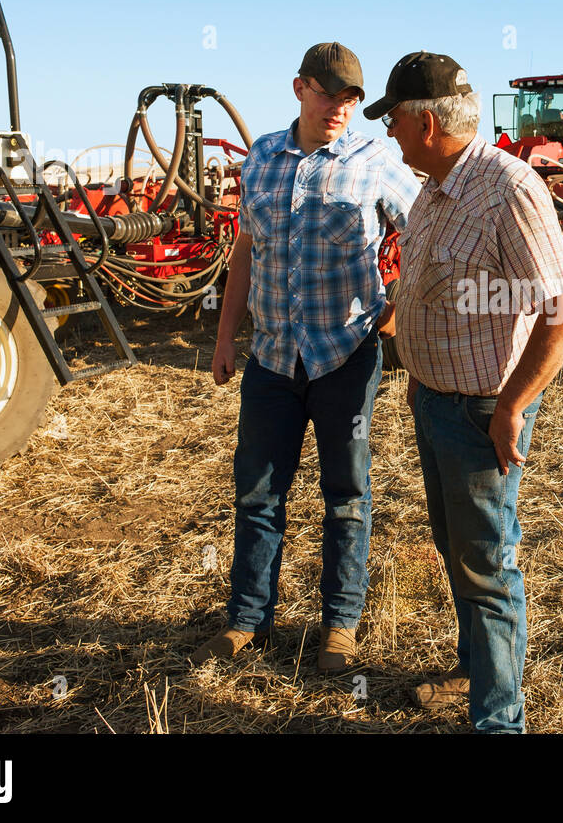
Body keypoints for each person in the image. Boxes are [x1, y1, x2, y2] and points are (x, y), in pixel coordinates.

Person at [363, 52, 563, 732]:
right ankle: (472, 673)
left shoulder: (508, 189)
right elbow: (426, 282)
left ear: (426, 121)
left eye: (395, 121)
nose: (390, 135)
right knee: (456, 546)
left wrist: (513, 408)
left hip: (483, 410)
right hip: (435, 400)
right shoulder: (433, 188)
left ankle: (499, 721)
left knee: (487, 566)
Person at [192, 42, 421, 672]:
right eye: (329, 94)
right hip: (271, 360)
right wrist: (224, 337)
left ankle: (339, 627)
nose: (341, 108)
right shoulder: (263, 158)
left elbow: (426, 231)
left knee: (346, 494)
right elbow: (246, 250)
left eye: (351, 99)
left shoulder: (375, 159)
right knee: (258, 494)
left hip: (345, 357)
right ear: (300, 88)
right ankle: (247, 620)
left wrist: (398, 307)